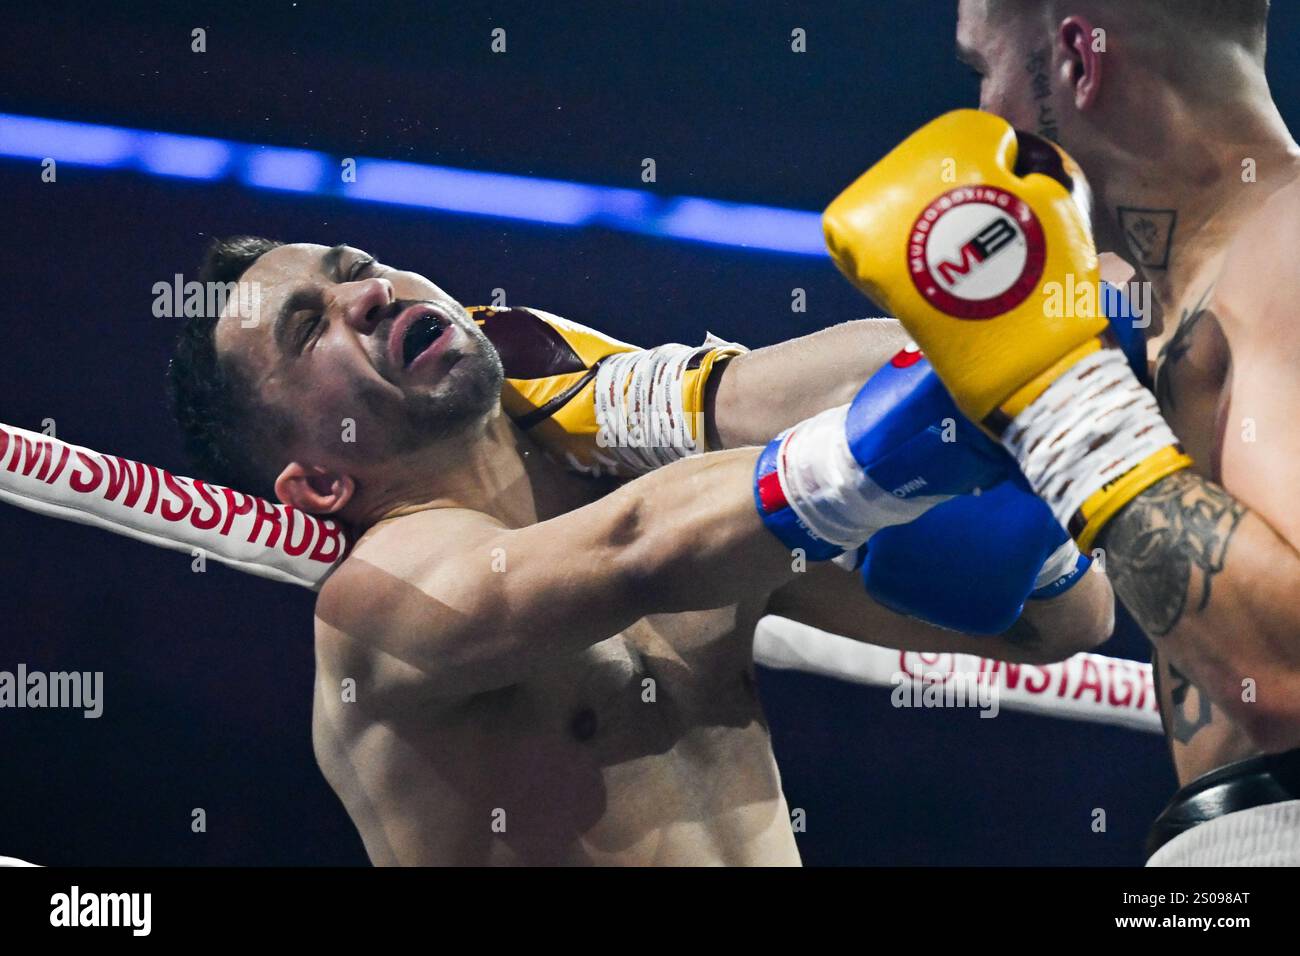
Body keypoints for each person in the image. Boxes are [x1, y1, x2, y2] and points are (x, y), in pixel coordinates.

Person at [166, 236, 1112, 865]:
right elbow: (638, 547)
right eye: (310, 327)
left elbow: (1059, 619)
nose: (368, 295)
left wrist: (645, 395)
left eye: (356, 267)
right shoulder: (380, 603)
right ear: (320, 483)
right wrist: (672, 407)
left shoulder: (663, 500)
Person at [832, 0, 1300, 865]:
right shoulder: (1148, 308)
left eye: (983, 71)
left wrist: (1059, 410)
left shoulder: (1287, 245)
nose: (978, 121)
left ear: (1082, 60)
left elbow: (1287, 675)